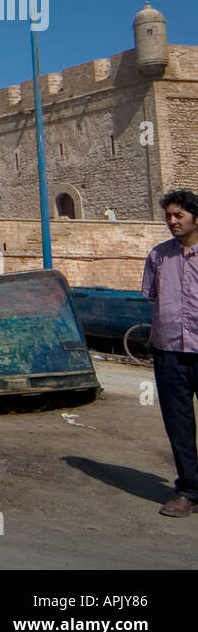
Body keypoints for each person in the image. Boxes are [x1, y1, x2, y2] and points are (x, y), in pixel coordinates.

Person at [142, 189, 198, 516]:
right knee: (178, 425)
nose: (172, 221)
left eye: (178, 215)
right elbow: (153, 297)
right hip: (169, 353)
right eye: (168, 216)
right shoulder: (158, 256)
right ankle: (189, 490)